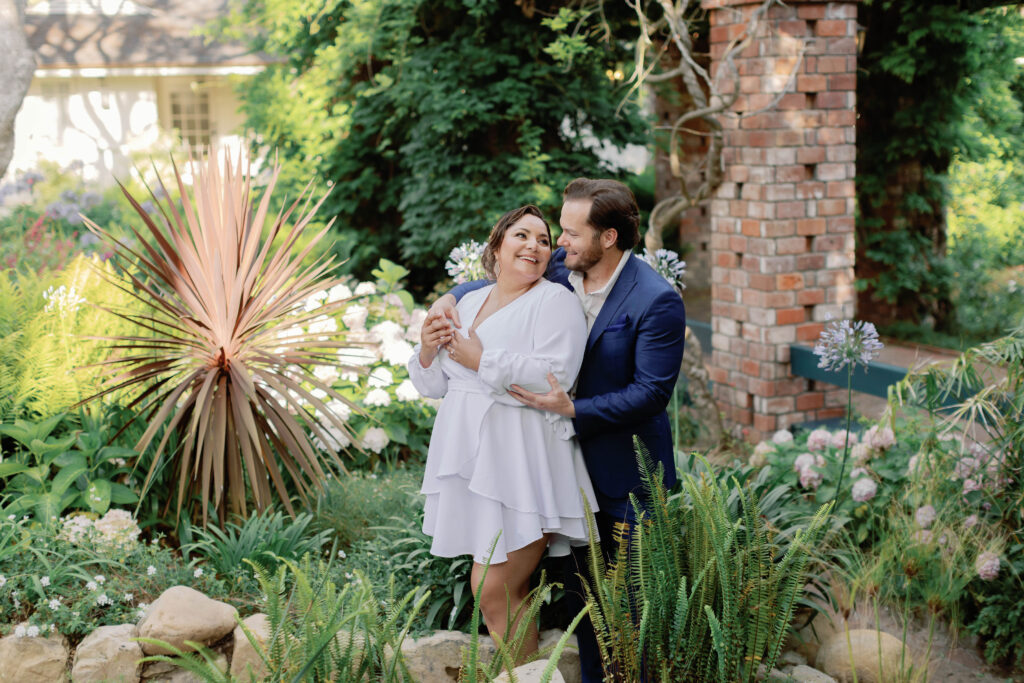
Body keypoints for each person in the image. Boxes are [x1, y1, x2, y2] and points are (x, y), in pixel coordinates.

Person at [431, 178, 686, 682]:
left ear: (608, 238)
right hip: (547, 465)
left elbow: (651, 393)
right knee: (579, 603)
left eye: (570, 232)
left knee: (625, 612)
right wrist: (446, 298)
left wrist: (574, 408)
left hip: (622, 474)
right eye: (559, 231)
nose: (558, 241)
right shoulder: (562, 265)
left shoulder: (656, 300)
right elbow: (494, 276)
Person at [407, 204, 598, 661]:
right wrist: (428, 349)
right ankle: (526, 672)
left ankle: (526, 673)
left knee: (493, 587)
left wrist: (481, 360)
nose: (534, 245)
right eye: (521, 235)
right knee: (498, 589)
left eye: (543, 239)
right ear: (496, 247)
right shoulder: (468, 302)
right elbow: (435, 385)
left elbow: (558, 374)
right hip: (472, 457)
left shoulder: (556, 301)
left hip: (520, 458)